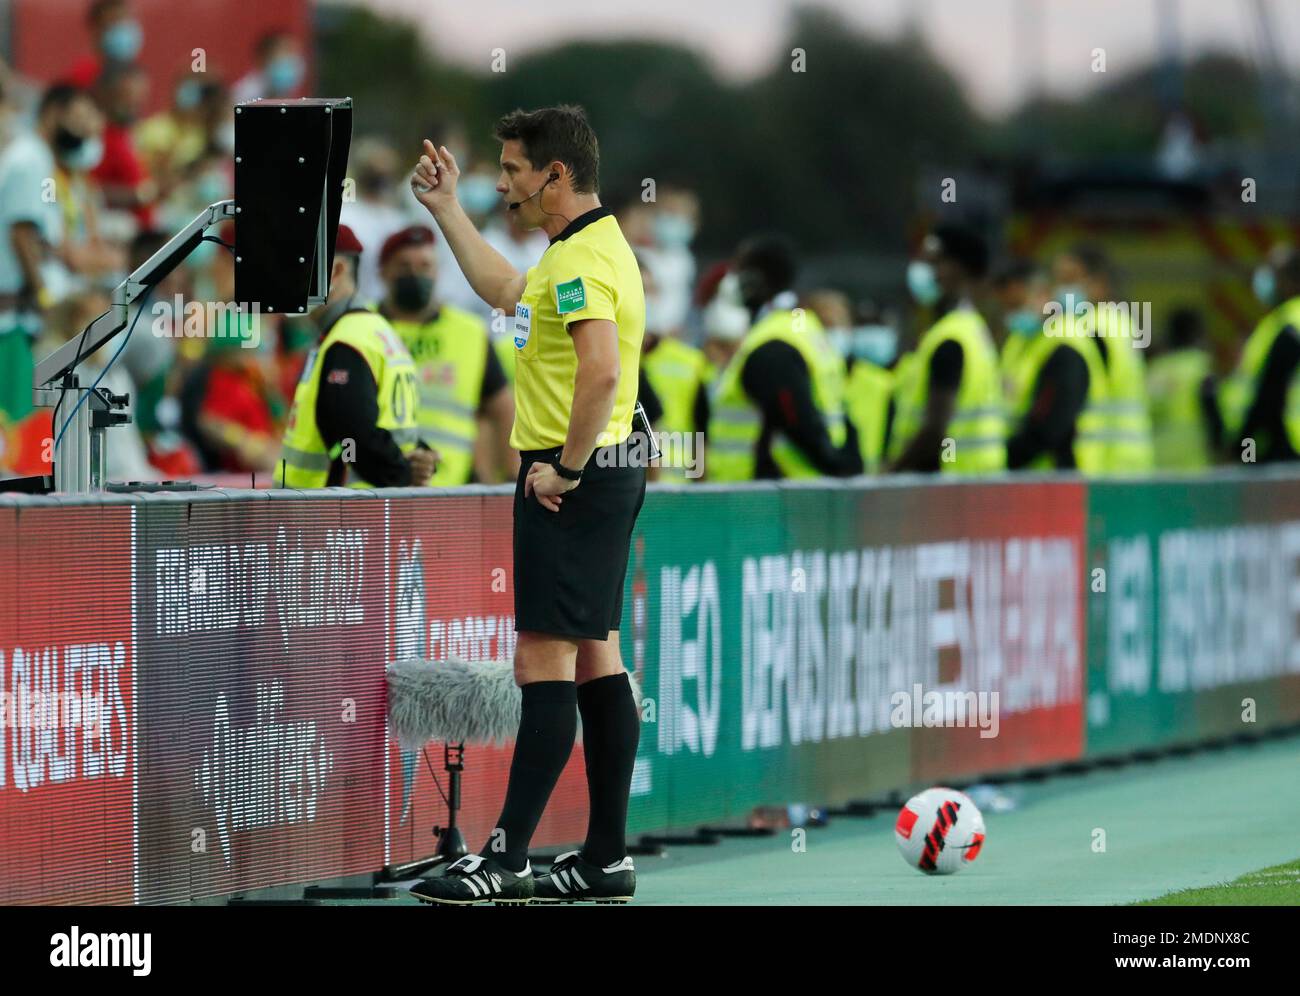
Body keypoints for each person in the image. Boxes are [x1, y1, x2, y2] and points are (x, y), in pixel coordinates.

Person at [406, 104, 646, 905]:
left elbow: (601, 372)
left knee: (542, 661)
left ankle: (505, 858)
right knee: (596, 655)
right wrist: (447, 211)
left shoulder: (579, 261)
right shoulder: (578, 251)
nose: (502, 182)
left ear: (556, 175)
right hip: (607, 470)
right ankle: (605, 858)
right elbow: (503, 289)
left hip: (571, 479)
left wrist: (564, 472)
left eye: (511, 170)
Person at [277, 224, 436, 488]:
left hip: (338, 515)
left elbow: (354, 433)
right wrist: (410, 467)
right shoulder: (377, 331)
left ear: (336, 271)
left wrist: (402, 473)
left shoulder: (346, 341)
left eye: (299, 267)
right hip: (374, 511)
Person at [706, 236, 858, 481]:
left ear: (758, 279)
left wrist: (834, 465)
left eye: (739, 270)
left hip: (771, 498)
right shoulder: (808, 330)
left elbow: (798, 420)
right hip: (805, 492)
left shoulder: (772, 343)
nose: (731, 279)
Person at [377, 223, 517, 485]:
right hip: (376, 487)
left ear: (438, 271)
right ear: (384, 272)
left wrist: (512, 479)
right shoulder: (364, 327)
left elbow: (502, 409)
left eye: (425, 266)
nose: (415, 274)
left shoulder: (470, 333)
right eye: (405, 266)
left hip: (451, 490)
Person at [0, 84, 102, 423]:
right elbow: (21, 234)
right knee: (14, 427)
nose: (86, 130)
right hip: (11, 316)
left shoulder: (42, 160)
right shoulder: (30, 160)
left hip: (19, 313)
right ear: (52, 113)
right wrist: (44, 294)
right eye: (78, 119)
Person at [887, 225, 1005, 474]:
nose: (922, 271)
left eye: (933, 262)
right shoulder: (972, 328)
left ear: (959, 270)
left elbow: (934, 431)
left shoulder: (950, 339)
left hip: (947, 490)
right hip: (975, 482)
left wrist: (887, 476)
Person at [1053, 243, 1154, 472]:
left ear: (1098, 282)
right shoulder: (1120, 322)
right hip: (1132, 457)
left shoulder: (1088, 328)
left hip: (1098, 460)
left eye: (1069, 279)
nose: (1059, 289)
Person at [1220, 245, 1300, 463]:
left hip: (1286, 447)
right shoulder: (1279, 322)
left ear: (1292, 281)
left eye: (1273, 272)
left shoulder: (1290, 325)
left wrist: (1243, 446)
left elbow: (1270, 394)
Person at [1147, 307, 1218, 470]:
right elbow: (1212, 414)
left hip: (1158, 460)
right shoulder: (1200, 366)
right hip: (1193, 459)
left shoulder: (1155, 369)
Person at [231, 29, 305, 104]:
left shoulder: (286, 92)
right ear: (263, 58)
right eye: (286, 51)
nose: (291, 59)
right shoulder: (244, 96)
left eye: (295, 53)